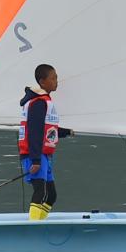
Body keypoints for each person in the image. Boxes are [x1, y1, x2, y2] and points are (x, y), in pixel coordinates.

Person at [19, 64, 73, 219]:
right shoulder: (38, 103)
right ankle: (33, 227)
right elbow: (35, 132)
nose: (57, 81)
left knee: (51, 195)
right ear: (42, 82)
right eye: (53, 78)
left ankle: (39, 222)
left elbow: (47, 129)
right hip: (34, 155)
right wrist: (35, 160)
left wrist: (66, 132)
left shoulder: (44, 101)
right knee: (40, 191)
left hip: (43, 154)